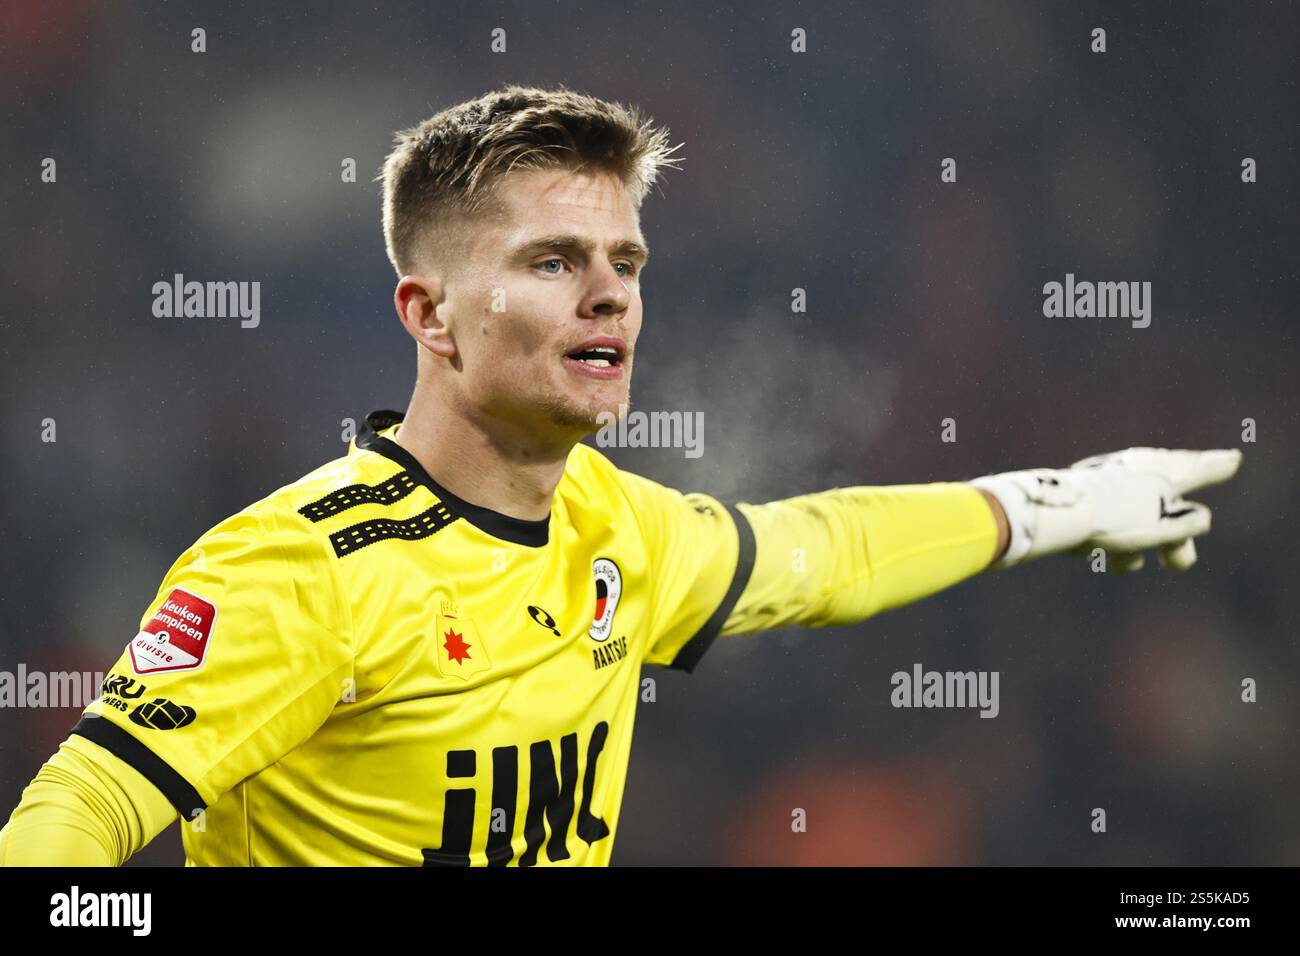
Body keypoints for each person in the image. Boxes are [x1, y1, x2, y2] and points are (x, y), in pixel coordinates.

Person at [0, 84, 1241, 866]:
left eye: (625, 259)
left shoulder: (615, 529)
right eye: (551, 260)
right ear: (430, 314)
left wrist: (1056, 502)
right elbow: (73, 817)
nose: (609, 293)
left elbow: (826, 554)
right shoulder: (296, 566)